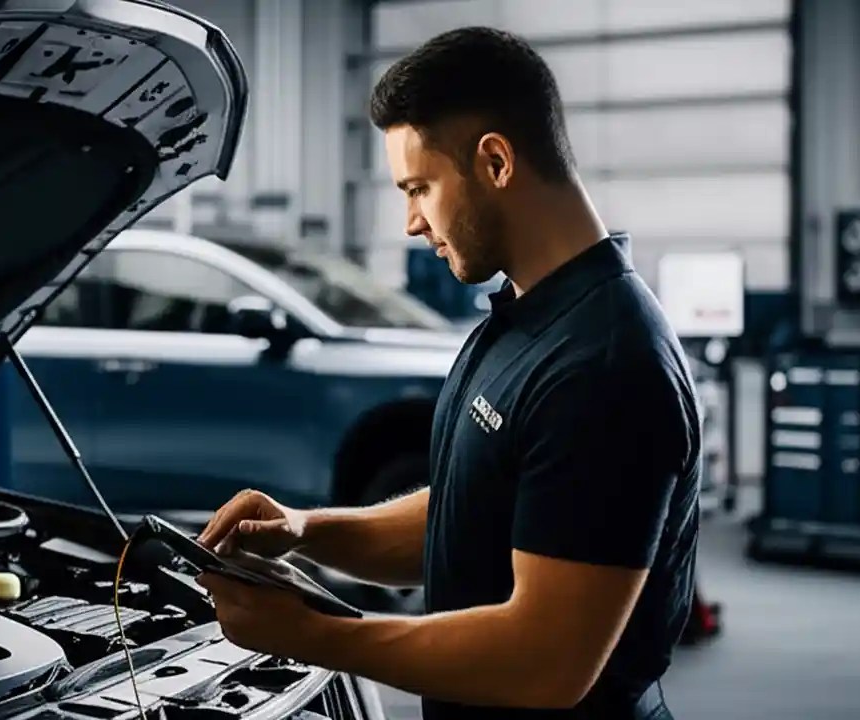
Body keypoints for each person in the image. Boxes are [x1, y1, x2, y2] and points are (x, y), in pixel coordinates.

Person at [195, 26, 701, 719]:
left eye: (419, 188)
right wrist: (307, 530)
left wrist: (318, 636)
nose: (409, 222)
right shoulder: (524, 314)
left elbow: (546, 662)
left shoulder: (607, 364)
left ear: (495, 162)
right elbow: (473, 512)